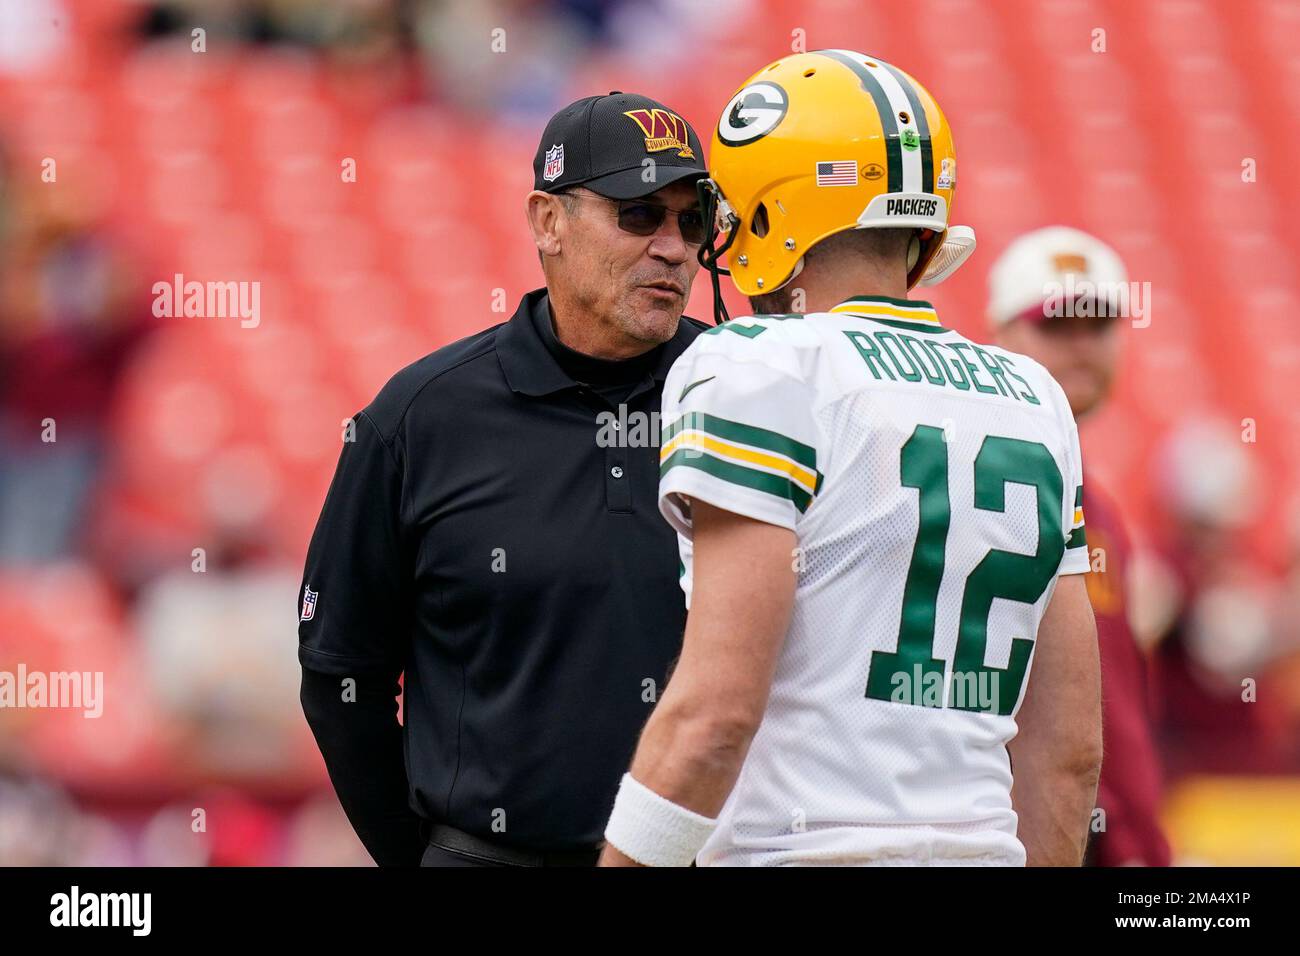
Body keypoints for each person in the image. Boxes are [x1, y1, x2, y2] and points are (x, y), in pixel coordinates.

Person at [600, 50, 1101, 867]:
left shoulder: (760, 366)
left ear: (768, 215)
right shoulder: (1033, 395)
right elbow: (1068, 749)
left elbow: (714, 716)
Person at [298, 92, 710, 866]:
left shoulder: (744, 394)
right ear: (548, 221)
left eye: (692, 221)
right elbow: (339, 677)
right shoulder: (424, 416)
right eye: (638, 214)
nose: (673, 247)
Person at [988, 226, 1171, 866]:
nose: (1082, 346)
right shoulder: (991, 485)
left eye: (1098, 326)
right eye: (1055, 327)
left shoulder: (1097, 500)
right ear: (1000, 336)